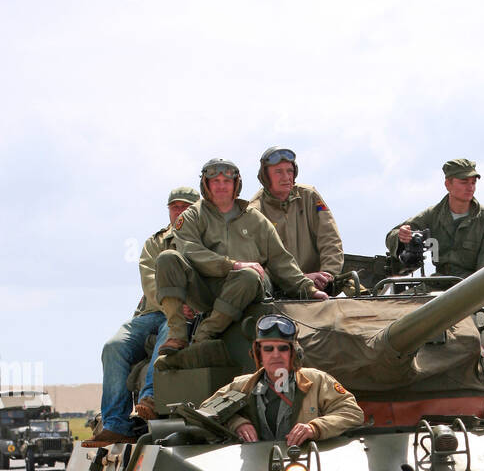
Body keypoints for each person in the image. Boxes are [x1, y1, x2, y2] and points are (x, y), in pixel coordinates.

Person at [154, 158, 327, 368]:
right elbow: (190, 251)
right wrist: (232, 264)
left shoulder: (255, 219)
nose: (221, 186)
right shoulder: (193, 216)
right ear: (205, 185)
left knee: (250, 274)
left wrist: (307, 288)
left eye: (227, 181)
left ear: (236, 184)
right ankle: (177, 334)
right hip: (206, 287)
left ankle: (206, 332)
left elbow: (281, 260)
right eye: (215, 181)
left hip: (248, 288)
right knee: (167, 258)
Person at [84, 186, 198, 447]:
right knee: (113, 347)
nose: (179, 212)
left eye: (186, 207)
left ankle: (149, 399)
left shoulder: (206, 238)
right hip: (154, 310)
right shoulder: (155, 243)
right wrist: (173, 305)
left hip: (189, 312)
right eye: (175, 207)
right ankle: (115, 425)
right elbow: (150, 283)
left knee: (172, 330)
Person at [199, 314, 363, 444]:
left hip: (304, 463)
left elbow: (352, 412)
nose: (275, 355)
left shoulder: (316, 381)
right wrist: (238, 423)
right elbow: (205, 411)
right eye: (268, 349)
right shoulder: (243, 386)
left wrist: (315, 428)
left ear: (293, 353)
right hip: (255, 467)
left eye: (283, 348)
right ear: (259, 354)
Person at [385, 158, 484, 279]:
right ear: (448, 184)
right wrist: (401, 236)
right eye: (464, 182)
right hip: (438, 282)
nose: (470, 187)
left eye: (473, 182)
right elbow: (391, 235)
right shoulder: (433, 215)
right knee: (399, 299)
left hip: (472, 286)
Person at [247, 146, 343, 292]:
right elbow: (257, 262)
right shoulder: (255, 211)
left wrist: (329, 274)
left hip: (320, 283)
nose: (286, 177)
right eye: (278, 172)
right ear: (266, 177)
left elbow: (330, 239)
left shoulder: (309, 196)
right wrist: (300, 279)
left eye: (289, 171)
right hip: (278, 289)